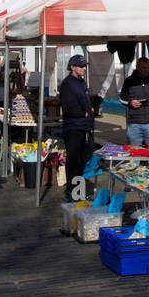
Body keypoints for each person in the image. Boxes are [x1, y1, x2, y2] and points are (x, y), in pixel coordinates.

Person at [59, 54, 95, 201]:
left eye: (84, 66)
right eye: (80, 66)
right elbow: (67, 107)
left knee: (83, 159)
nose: (83, 68)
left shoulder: (81, 82)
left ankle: (79, 190)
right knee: (73, 160)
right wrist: (84, 113)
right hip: (73, 127)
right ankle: (72, 192)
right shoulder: (67, 84)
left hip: (84, 126)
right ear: (72, 67)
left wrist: (90, 112)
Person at [119, 56, 149, 146]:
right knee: (134, 154)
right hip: (134, 124)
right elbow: (122, 97)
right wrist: (130, 102)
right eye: (143, 67)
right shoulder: (129, 81)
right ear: (137, 67)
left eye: (148, 67)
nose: (146, 70)